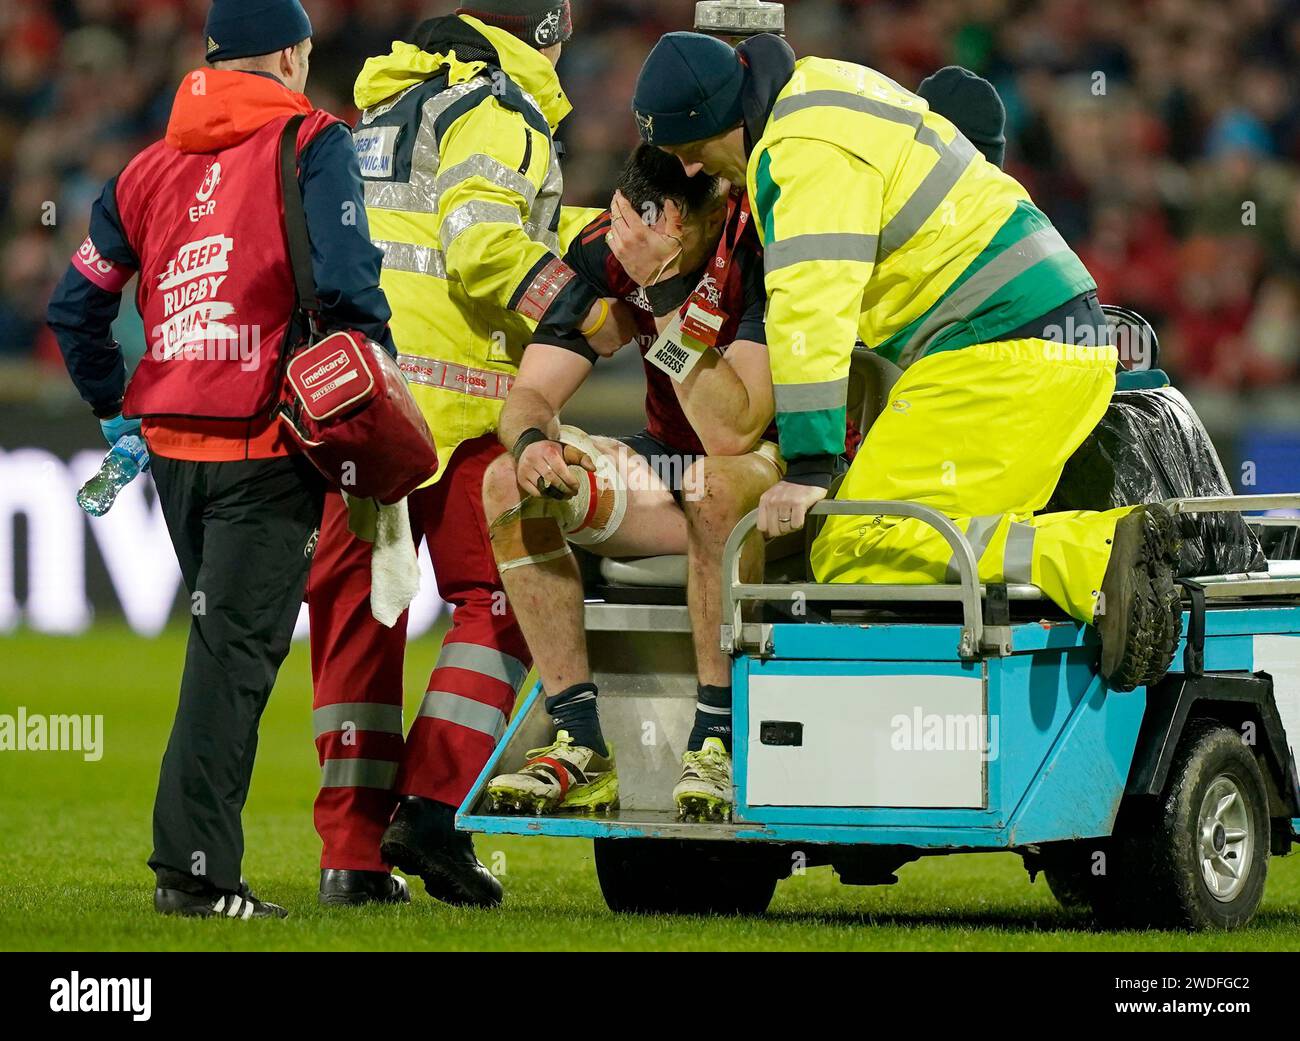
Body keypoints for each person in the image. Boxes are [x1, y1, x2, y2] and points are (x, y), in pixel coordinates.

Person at [627, 32, 1182, 691]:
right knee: (953, 533)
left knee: (854, 547)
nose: (695, 172)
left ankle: (1093, 553)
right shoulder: (826, 86)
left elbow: (811, 311)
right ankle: (1091, 558)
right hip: (1045, 345)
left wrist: (809, 465)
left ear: (715, 124)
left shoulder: (798, 153)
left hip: (996, 353)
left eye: (692, 153)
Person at [46, 0, 395, 918]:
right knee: (232, 660)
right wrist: (374, 395)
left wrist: (113, 406)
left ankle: (196, 866)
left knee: (221, 646)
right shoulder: (314, 143)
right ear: (288, 55)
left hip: (171, 450)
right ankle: (195, 875)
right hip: (268, 444)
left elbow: (75, 306)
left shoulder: (145, 168)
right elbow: (348, 283)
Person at [306, 1, 636, 908]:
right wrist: (588, 312)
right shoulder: (500, 108)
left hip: (363, 406)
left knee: (356, 629)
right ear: (543, 33)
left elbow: (433, 221)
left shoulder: (388, 107)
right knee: (509, 593)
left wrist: (580, 229)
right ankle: (434, 806)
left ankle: (351, 858)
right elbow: (483, 246)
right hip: (454, 411)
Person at [481, 144, 785, 820]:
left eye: (666, 225)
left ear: (714, 211)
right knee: (506, 482)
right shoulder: (611, 248)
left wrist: (668, 293)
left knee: (712, 481)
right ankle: (578, 742)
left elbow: (732, 430)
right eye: (638, 222)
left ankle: (716, 741)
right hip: (669, 464)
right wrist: (533, 445)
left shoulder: (761, 243)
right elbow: (529, 393)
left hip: (769, 470)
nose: (646, 240)